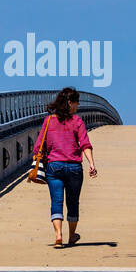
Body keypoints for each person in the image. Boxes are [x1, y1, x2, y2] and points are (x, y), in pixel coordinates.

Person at [36, 87, 98, 248]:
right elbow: (85, 144)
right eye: (77, 102)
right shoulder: (77, 121)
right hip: (74, 168)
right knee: (73, 202)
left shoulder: (48, 121)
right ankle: (71, 236)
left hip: (54, 167)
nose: (78, 105)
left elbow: (38, 147)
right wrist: (91, 163)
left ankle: (58, 235)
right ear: (70, 103)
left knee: (56, 201)